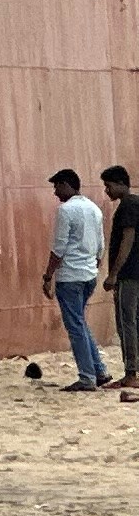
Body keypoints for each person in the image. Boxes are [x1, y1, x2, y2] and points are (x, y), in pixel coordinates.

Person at [47, 169, 111, 388]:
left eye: (57, 187)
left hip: (71, 275)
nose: (55, 192)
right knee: (80, 322)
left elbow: (59, 248)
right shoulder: (94, 209)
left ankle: (87, 376)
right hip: (88, 274)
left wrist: (48, 276)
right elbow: (101, 245)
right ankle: (99, 370)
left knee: (75, 326)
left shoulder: (66, 210)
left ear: (66, 185)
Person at [107, 168, 139, 404]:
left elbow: (127, 240)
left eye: (108, 185)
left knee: (125, 321)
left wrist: (114, 274)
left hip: (129, 274)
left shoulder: (127, 206)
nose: (106, 190)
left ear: (120, 184)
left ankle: (131, 373)